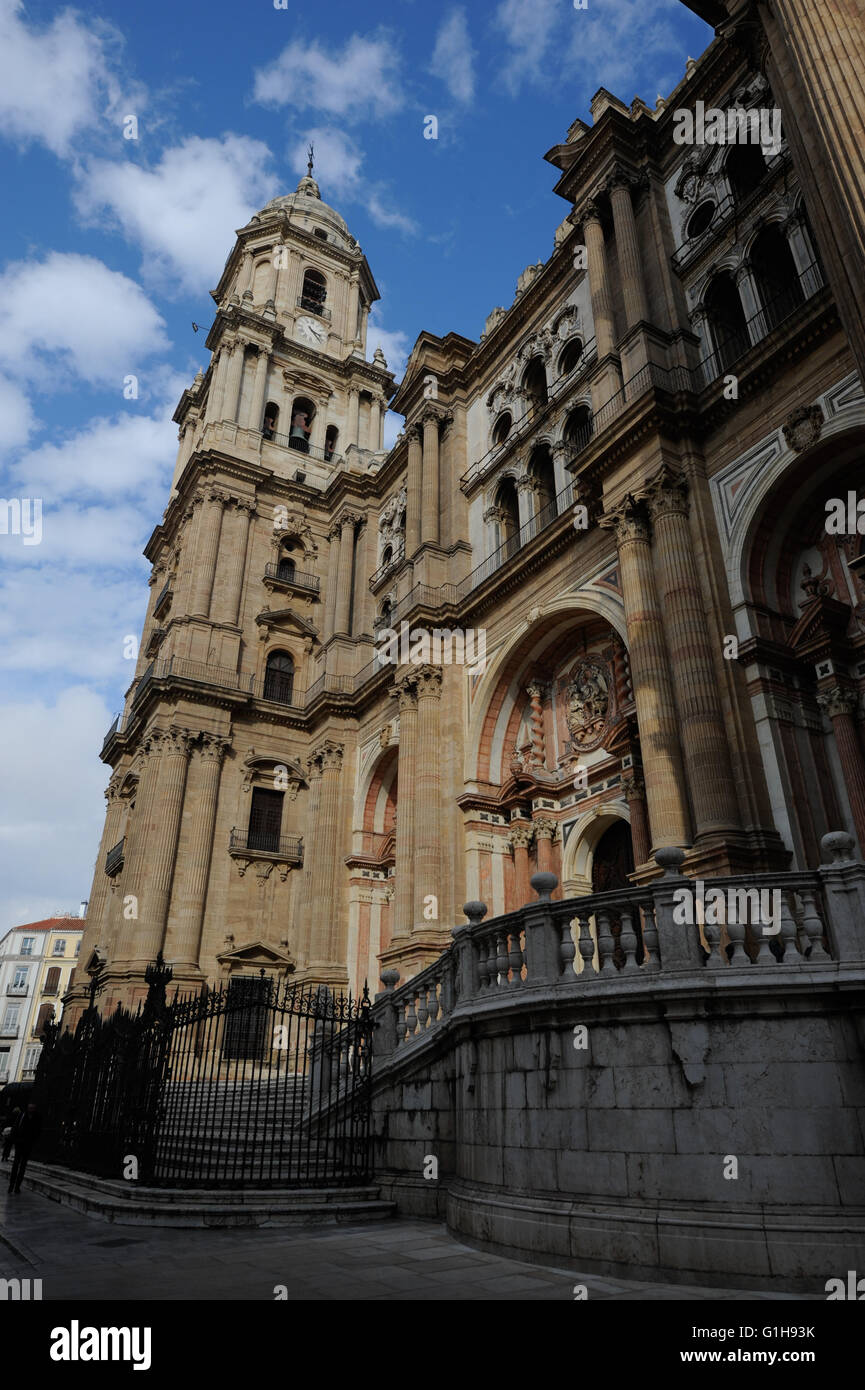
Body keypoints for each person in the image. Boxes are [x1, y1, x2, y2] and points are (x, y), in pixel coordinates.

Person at [8, 1103, 42, 1194]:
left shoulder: (36, 1117)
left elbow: (38, 1130)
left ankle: (17, 1186)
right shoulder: (22, 1115)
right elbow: (16, 1128)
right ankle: (12, 1185)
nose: (31, 1109)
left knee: (22, 1166)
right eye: (30, 1108)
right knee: (16, 1164)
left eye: (32, 1108)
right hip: (20, 1143)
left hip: (28, 1144)